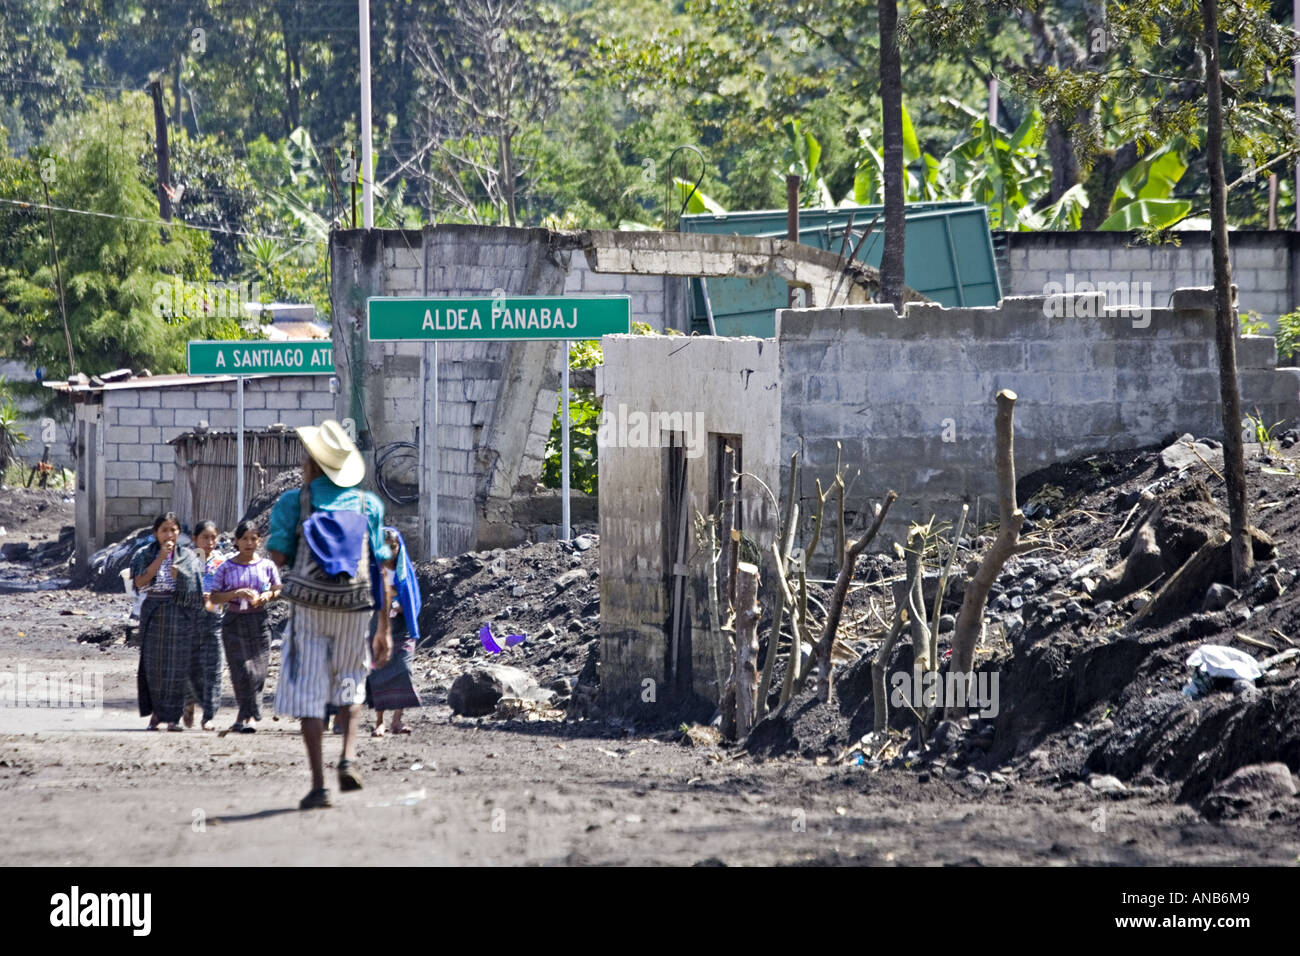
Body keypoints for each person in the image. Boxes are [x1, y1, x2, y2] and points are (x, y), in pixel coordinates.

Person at [268, 420, 393, 810]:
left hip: (309, 606)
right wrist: (384, 627)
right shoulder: (367, 504)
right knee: (351, 680)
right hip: (355, 607)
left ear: (312, 463)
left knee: (308, 690)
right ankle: (348, 756)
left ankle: (319, 786)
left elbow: (278, 557)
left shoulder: (295, 501)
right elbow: (379, 567)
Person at [132, 513, 204, 732]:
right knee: (153, 668)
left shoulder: (188, 557)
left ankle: (173, 718)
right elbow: (140, 581)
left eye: (173, 530)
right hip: (154, 615)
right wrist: (160, 560)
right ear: (156, 534)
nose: (169, 534)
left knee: (177, 668)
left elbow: (194, 590)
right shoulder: (144, 554)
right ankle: (156, 715)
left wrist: (177, 573)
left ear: (179, 533)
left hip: (180, 616)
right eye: (164, 530)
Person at [209, 520, 282, 733]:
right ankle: (247, 716)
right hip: (233, 622)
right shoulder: (226, 567)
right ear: (236, 541)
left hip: (259, 622)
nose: (249, 543)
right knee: (240, 671)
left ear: (259, 540)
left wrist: (267, 595)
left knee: (257, 672)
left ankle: (245, 715)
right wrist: (236, 593)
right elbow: (213, 596)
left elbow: (278, 588)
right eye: (244, 539)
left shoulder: (267, 566)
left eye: (253, 538)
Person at [368, 527, 422, 736]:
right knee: (379, 672)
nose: (391, 552)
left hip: (404, 626)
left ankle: (397, 721)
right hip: (380, 626)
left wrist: (400, 605)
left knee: (404, 671)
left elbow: (414, 597)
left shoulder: (404, 570)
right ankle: (379, 722)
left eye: (394, 547)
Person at [185, 520, 227, 731]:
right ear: (195, 539)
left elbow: (230, 587)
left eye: (213, 537)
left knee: (214, 668)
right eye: (205, 538)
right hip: (189, 619)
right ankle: (189, 701)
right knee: (191, 667)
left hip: (214, 619)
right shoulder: (186, 561)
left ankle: (208, 715)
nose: (210, 542)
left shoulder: (222, 562)